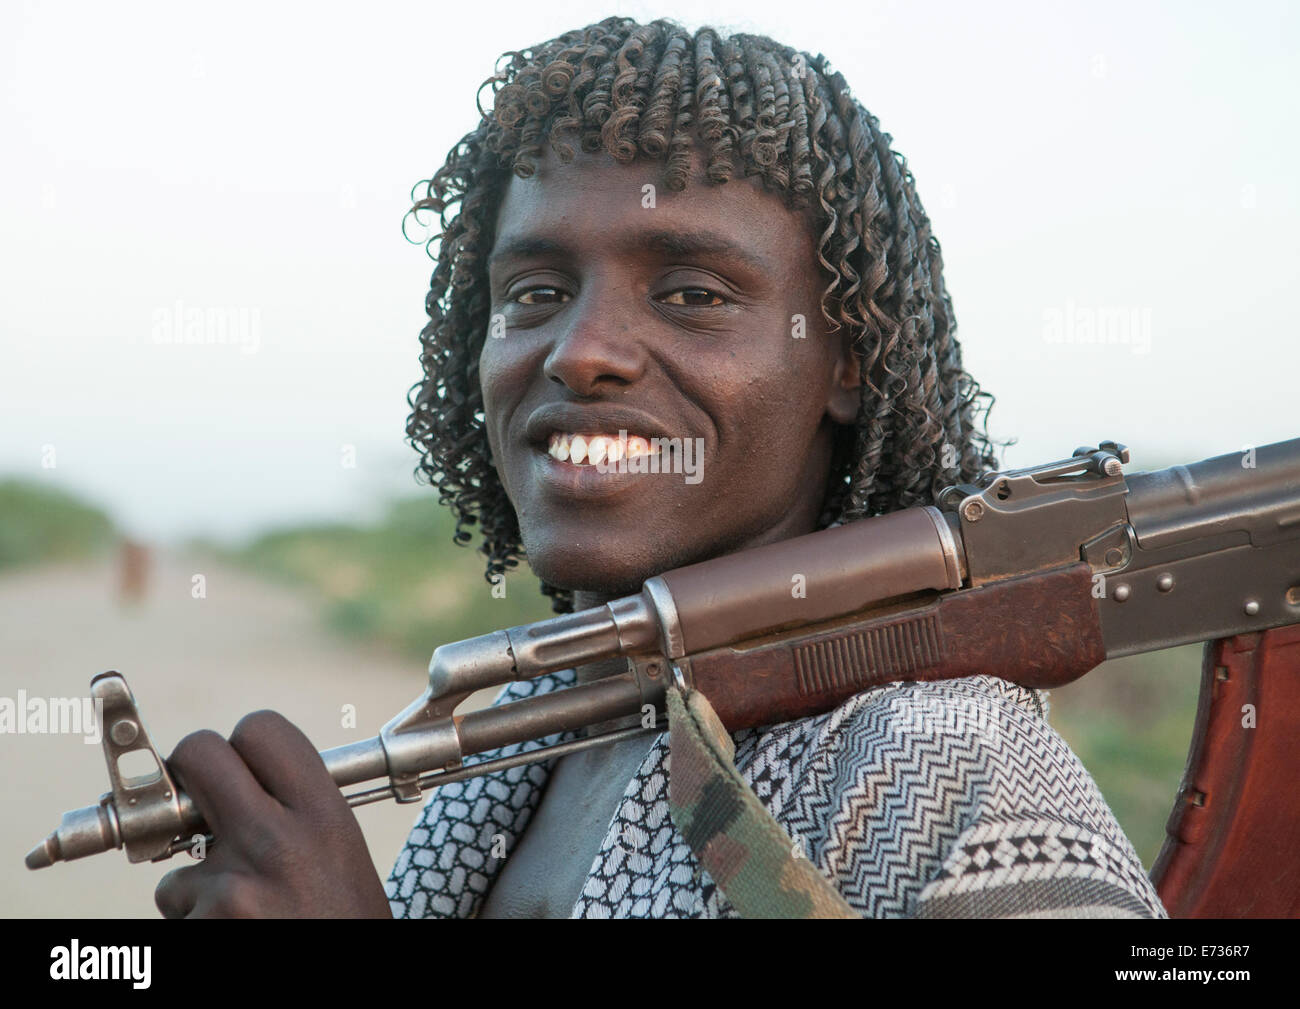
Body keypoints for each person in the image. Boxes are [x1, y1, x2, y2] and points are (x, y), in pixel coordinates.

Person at [155, 16, 1167, 919]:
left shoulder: (943, 762)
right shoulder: (524, 737)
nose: (581, 350)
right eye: (537, 291)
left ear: (846, 359)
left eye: (691, 293)